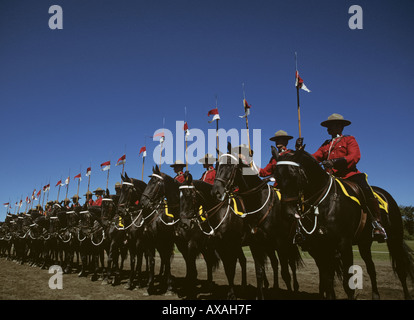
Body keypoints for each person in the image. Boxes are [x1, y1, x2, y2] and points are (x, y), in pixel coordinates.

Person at [300, 113, 387, 242]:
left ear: (340, 127)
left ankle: (377, 223)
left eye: (332, 125)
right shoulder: (326, 144)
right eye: (328, 126)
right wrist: (302, 153)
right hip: (332, 178)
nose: (329, 128)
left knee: (366, 189)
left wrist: (335, 162)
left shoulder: (349, 140)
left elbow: (355, 156)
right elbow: (315, 157)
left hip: (349, 175)